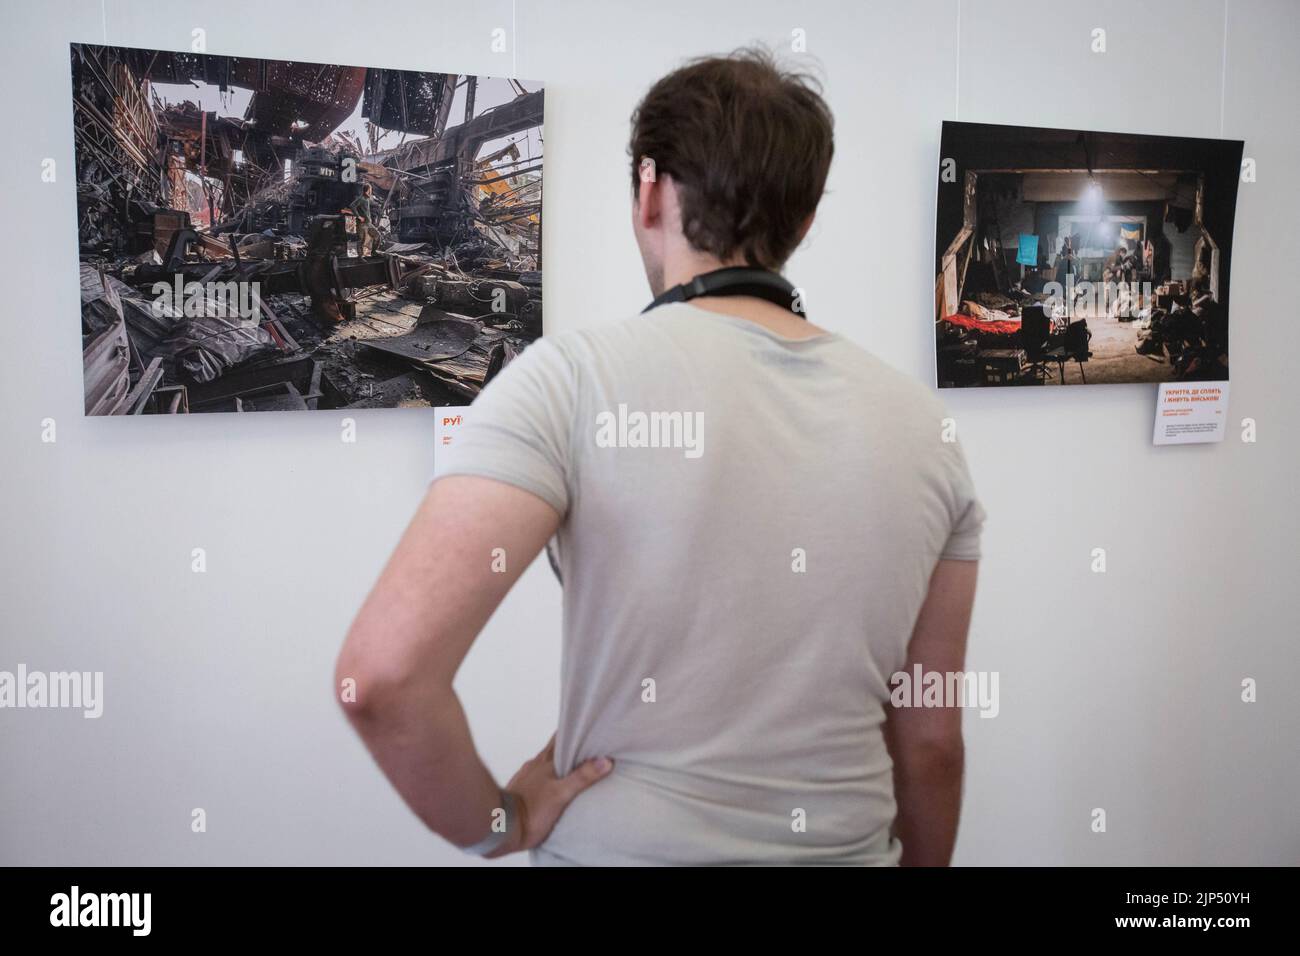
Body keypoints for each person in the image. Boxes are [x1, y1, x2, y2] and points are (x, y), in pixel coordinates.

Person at [336, 49, 984, 866]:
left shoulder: (569, 383)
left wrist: (497, 823)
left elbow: (384, 680)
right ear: (806, 216)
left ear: (649, 191)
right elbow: (931, 744)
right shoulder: (927, 430)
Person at [345, 182, 379, 256]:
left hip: (368, 223)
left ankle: (373, 252)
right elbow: (352, 206)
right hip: (362, 224)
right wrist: (359, 216)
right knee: (361, 240)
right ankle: (360, 257)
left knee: (377, 236)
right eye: (370, 190)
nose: (371, 191)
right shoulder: (361, 198)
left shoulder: (367, 199)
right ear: (367, 190)